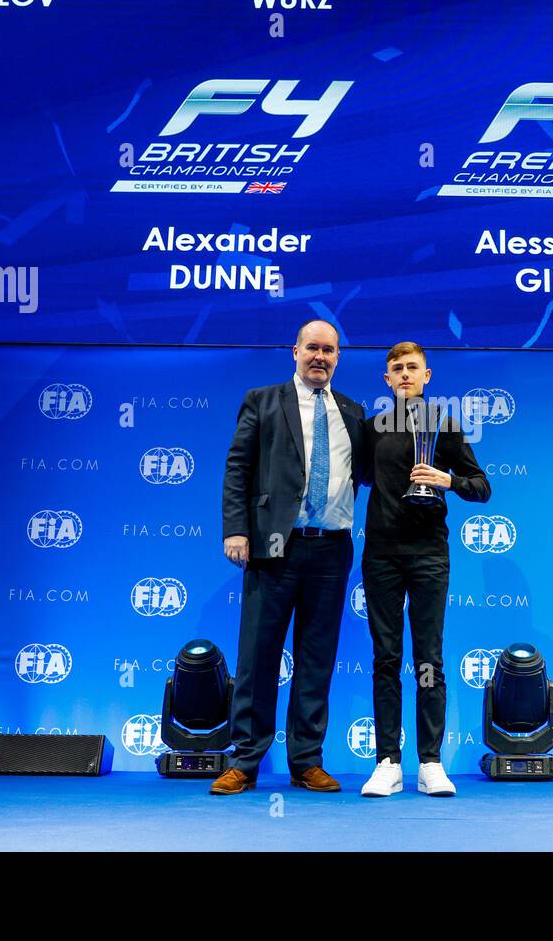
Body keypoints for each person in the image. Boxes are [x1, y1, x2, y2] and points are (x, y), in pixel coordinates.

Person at [213, 319, 366, 795]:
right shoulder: (262, 400)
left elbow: (368, 473)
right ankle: (245, 760)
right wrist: (237, 529)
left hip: (331, 547)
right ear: (295, 351)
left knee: (316, 658)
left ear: (338, 357)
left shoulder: (352, 412)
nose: (320, 357)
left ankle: (306, 760)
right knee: (258, 656)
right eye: (312, 348)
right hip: (273, 547)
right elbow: (238, 466)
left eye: (330, 350)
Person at [359, 342, 491, 797]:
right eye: (396, 369)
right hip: (380, 553)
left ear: (427, 376)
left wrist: (448, 481)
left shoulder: (446, 425)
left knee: (429, 659)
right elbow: (352, 477)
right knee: (386, 659)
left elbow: (482, 487)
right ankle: (387, 763)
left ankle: (430, 762)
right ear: (387, 380)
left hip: (430, 554)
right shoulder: (371, 428)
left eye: (412, 368)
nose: (405, 375)